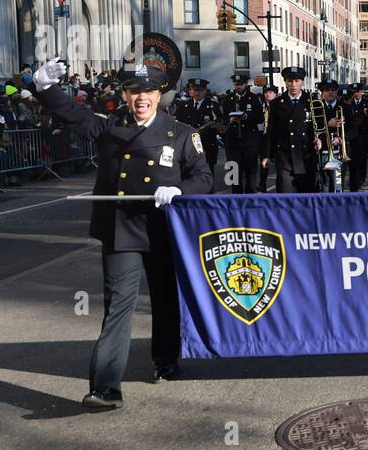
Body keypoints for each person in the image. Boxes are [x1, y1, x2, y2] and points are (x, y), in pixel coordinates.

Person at [29, 56, 212, 409]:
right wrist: (46, 87)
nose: (140, 98)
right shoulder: (110, 126)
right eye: (133, 92)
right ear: (125, 96)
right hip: (122, 227)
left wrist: (180, 191)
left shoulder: (182, 134)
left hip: (164, 228)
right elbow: (73, 113)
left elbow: (204, 178)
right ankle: (105, 386)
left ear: (159, 95)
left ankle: (166, 360)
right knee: (118, 304)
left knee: (165, 299)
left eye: (147, 91)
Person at [219, 73, 266, 193]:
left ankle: (250, 197)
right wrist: (230, 119)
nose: (238, 87)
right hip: (233, 142)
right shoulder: (228, 98)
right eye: (236, 84)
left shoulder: (253, 98)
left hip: (249, 141)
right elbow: (222, 118)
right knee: (234, 174)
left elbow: (260, 117)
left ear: (245, 84)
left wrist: (246, 117)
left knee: (250, 174)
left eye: (240, 84)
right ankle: (235, 197)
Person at [173, 79, 223, 189]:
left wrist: (213, 127)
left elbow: (219, 123)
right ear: (190, 91)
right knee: (187, 176)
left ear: (205, 91)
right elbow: (177, 124)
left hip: (207, 145)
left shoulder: (212, 105)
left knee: (207, 176)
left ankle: (208, 200)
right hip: (188, 147)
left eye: (200, 90)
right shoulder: (184, 105)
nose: (197, 93)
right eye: (194, 90)